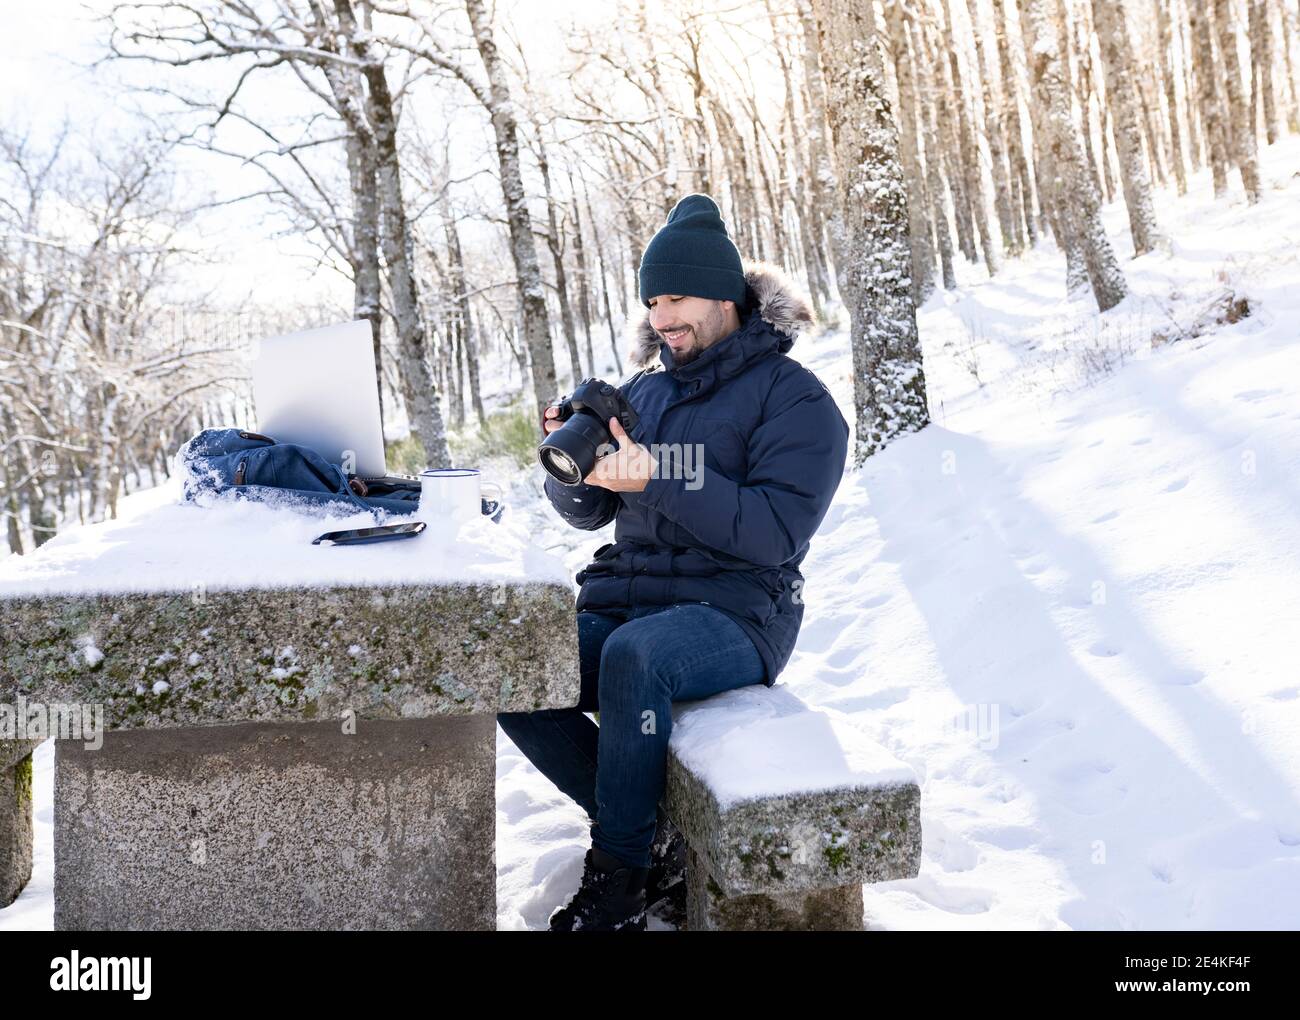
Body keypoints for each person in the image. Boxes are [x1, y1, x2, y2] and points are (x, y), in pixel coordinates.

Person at [497, 193, 850, 931]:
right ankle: (650, 833)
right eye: (652, 300)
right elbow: (591, 512)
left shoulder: (796, 400)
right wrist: (571, 463)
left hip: (739, 613)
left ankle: (619, 881)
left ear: (725, 295)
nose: (661, 318)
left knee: (636, 657)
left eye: (676, 296)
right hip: (629, 597)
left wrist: (657, 474)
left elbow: (774, 532)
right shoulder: (644, 395)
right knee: (515, 662)